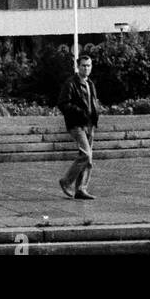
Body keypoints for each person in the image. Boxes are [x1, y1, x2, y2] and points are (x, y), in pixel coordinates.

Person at [57, 55, 101, 200]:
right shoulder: (71, 83)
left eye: (88, 65)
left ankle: (81, 189)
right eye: (83, 65)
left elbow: (92, 102)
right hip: (77, 124)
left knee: (89, 158)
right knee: (86, 154)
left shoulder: (91, 84)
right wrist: (80, 112)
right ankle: (66, 181)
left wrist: (96, 111)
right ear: (78, 66)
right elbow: (63, 103)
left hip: (89, 124)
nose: (86, 68)